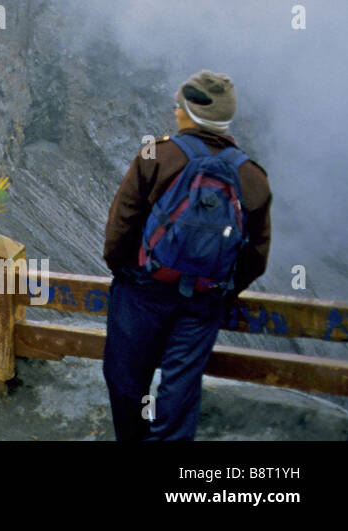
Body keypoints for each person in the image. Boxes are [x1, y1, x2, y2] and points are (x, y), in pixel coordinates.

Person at [102, 71, 272, 442]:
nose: (175, 110)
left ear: (189, 114)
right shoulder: (253, 177)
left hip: (142, 292)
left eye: (179, 105)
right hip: (202, 301)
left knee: (127, 379)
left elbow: (119, 230)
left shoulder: (155, 155)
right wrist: (218, 289)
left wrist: (128, 274)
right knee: (179, 387)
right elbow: (256, 256)